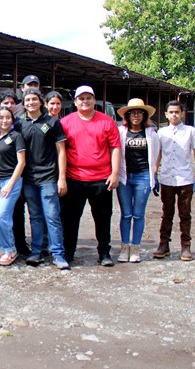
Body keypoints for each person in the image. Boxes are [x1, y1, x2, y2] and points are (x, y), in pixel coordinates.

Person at [59, 85, 121, 266]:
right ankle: (68, 253)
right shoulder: (66, 122)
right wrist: (61, 177)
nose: (85, 101)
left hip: (101, 179)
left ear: (94, 100)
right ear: (75, 101)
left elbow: (115, 147)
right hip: (74, 178)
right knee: (69, 219)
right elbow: (60, 151)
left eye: (88, 98)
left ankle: (104, 253)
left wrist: (115, 173)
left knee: (103, 218)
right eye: (81, 98)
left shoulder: (107, 121)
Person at [17, 89, 70, 270]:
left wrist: (62, 178)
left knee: (52, 216)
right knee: (35, 217)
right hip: (28, 179)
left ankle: (58, 254)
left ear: (41, 102)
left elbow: (61, 151)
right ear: (24, 104)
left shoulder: (53, 122)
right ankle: (36, 251)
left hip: (48, 177)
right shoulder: (20, 124)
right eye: (27, 100)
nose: (31, 102)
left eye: (34, 99)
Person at [154, 100, 195, 261]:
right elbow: (158, 153)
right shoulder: (161, 132)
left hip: (185, 179)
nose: (174, 115)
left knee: (185, 214)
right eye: (171, 112)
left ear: (182, 113)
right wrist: (154, 174)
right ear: (166, 114)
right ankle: (164, 245)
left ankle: (186, 246)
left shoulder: (190, 131)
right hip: (167, 178)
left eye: (177, 112)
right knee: (167, 213)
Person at [116, 98, 161, 263]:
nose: (136, 116)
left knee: (138, 214)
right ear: (127, 115)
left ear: (144, 115)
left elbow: (157, 153)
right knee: (126, 214)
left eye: (139, 113)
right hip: (124, 177)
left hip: (143, 176)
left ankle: (135, 248)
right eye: (132, 113)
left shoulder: (151, 134)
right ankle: (124, 247)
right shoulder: (121, 132)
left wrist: (154, 173)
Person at [0, 107, 26, 266]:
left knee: (3, 216)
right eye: (1, 117)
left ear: (13, 120)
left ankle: (11, 248)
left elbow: (21, 162)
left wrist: (10, 185)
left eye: (8, 117)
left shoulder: (16, 136)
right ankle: (2, 247)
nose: (4, 120)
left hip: (10, 181)